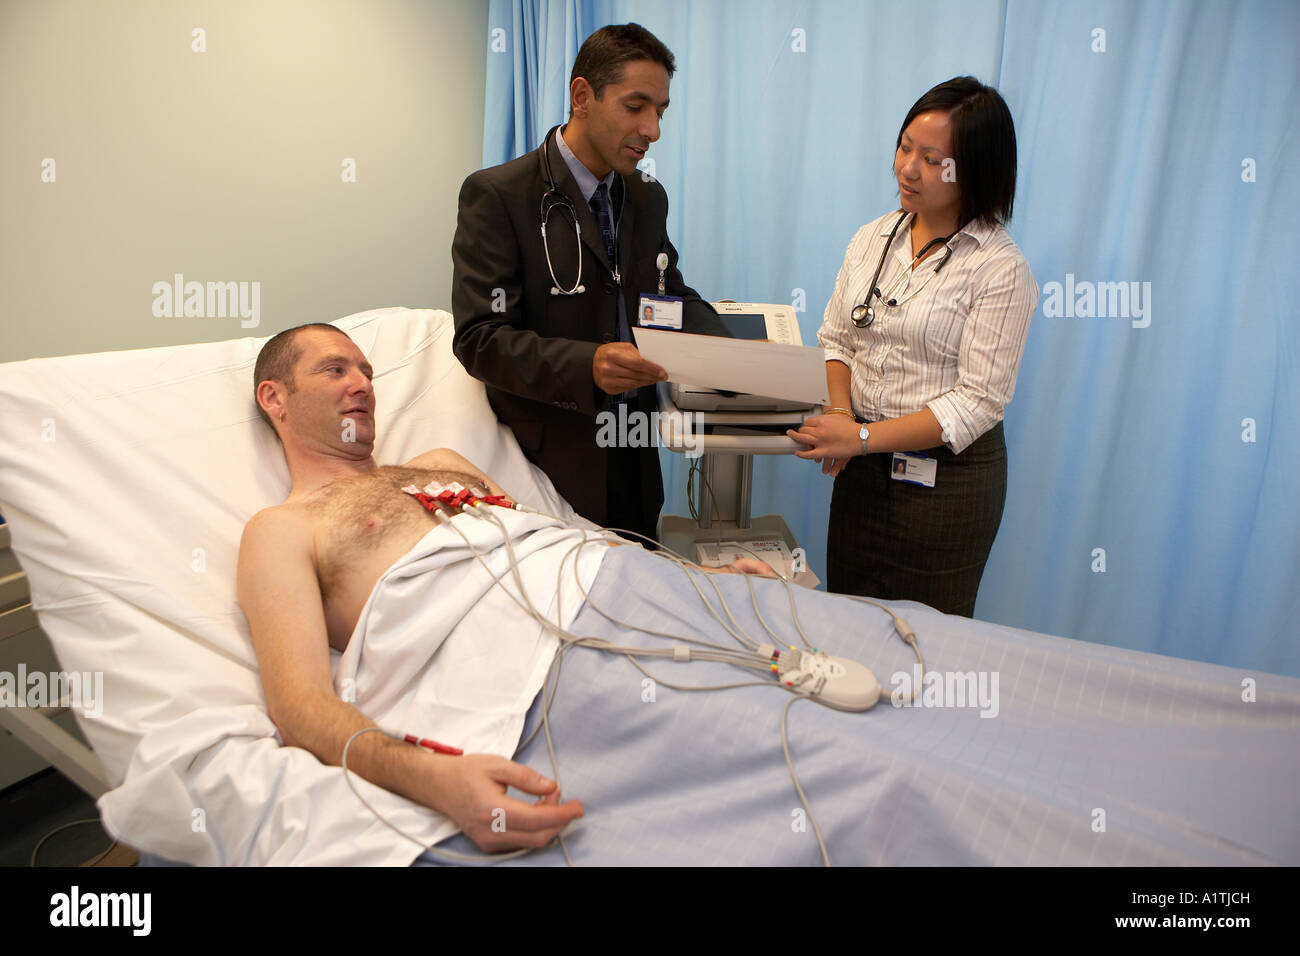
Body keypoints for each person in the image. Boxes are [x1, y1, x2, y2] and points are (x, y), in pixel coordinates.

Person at [237, 324, 771, 854]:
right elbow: (300, 707)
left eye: (367, 373)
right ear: (274, 396)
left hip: (626, 589)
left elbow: (555, 541)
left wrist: (691, 581)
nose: (363, 385)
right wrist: (433, 780)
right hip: (549, 663)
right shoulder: (281, 528)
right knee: (766, 744)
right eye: (335, 370)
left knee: (797, 658)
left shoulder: (442, 464)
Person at [451, 23, 722, 546]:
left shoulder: (646, 197)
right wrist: (586, 366)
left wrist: (749, 349)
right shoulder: (499, 195)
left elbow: (665, 296)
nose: (652, 130)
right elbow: (479, 338)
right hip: (549, 462)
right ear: (582, 97)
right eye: (636, 106)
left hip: (632, 457)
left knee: (633, 610)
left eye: (660, 111)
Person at [787, 77, 1038, 617]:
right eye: (905, 147)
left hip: (946, 488)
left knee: (927, 644)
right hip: (861, 473)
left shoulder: (1000, 268)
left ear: (975, 167)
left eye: (931, 159)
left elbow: (977, 402)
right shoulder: (873, 237)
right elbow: (836, 338)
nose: (907, 168)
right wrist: (839, 417)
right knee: (850, 622)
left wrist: (858, 436)